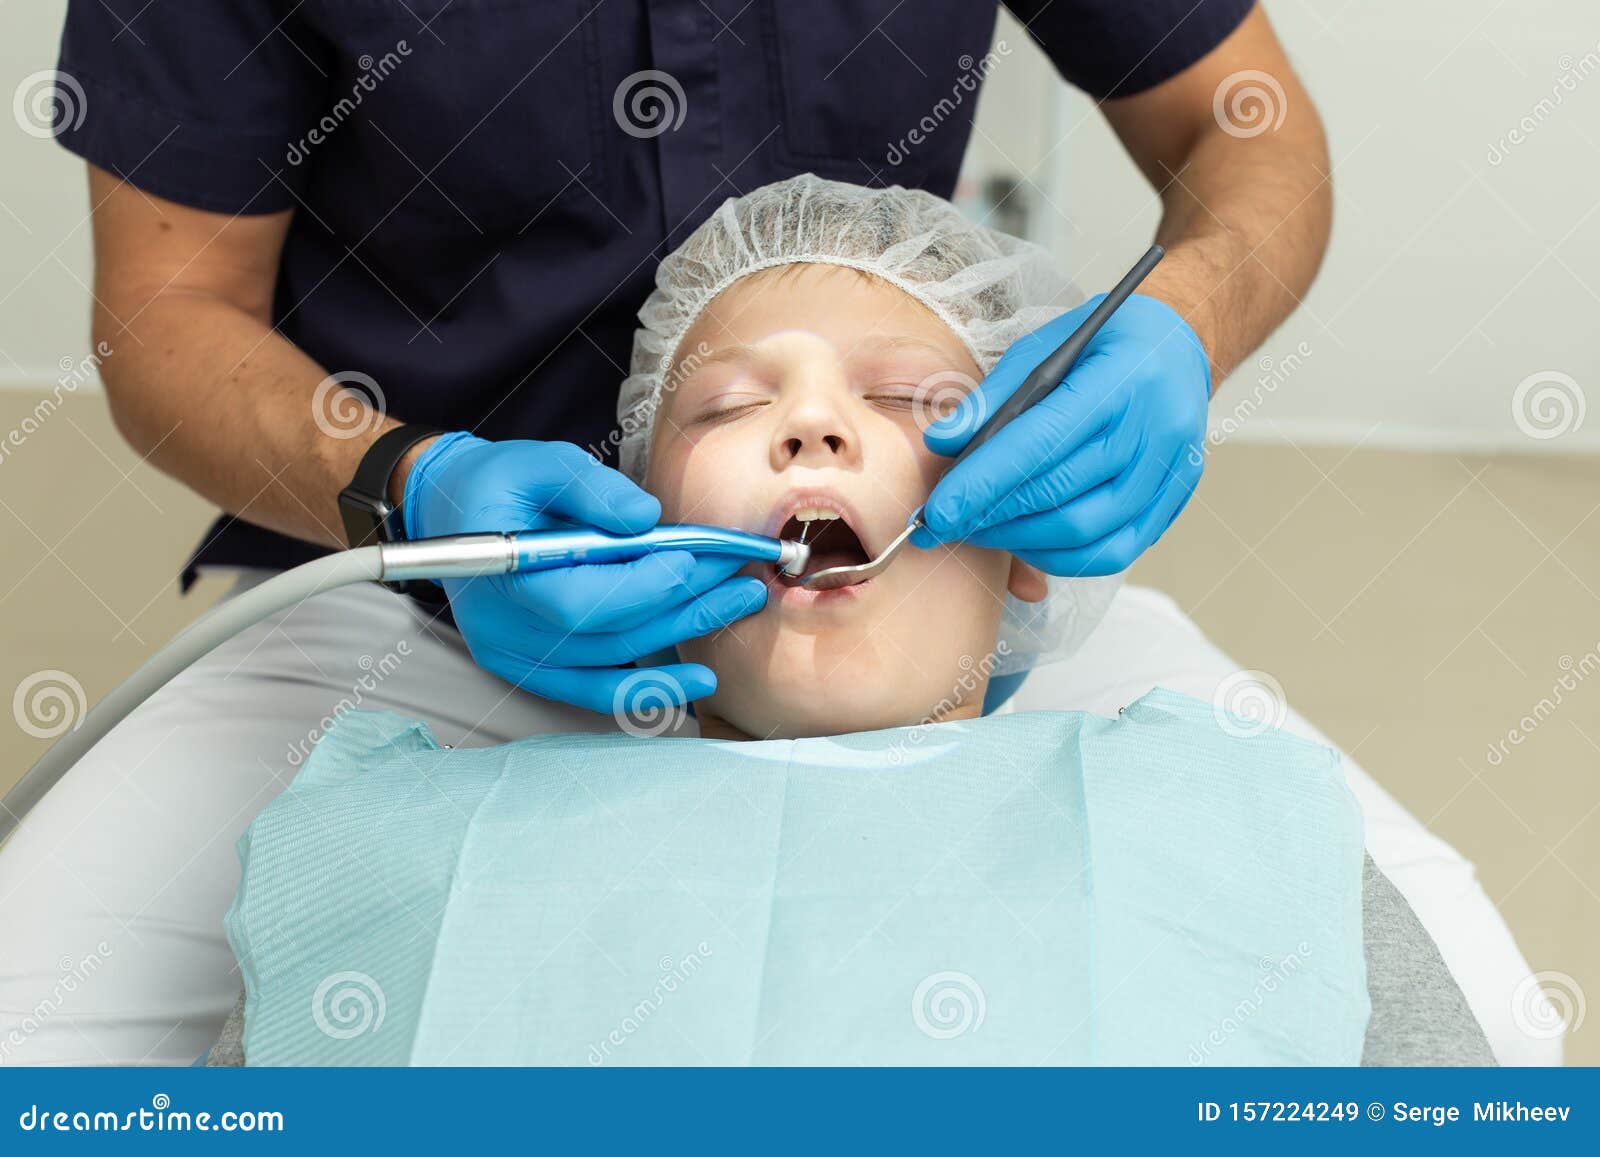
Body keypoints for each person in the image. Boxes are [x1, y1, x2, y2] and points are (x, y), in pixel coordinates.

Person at [0, 3, 1554, 1064]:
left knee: (1499, 1006)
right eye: (733, 405)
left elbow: (1248, 128)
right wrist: (411, 487)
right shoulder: (363, 844)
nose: (812, 424)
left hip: (961, 625)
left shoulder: (1194, 793)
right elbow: (163, 315)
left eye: (900, 395)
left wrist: (1185, 328)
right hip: (428, 579)